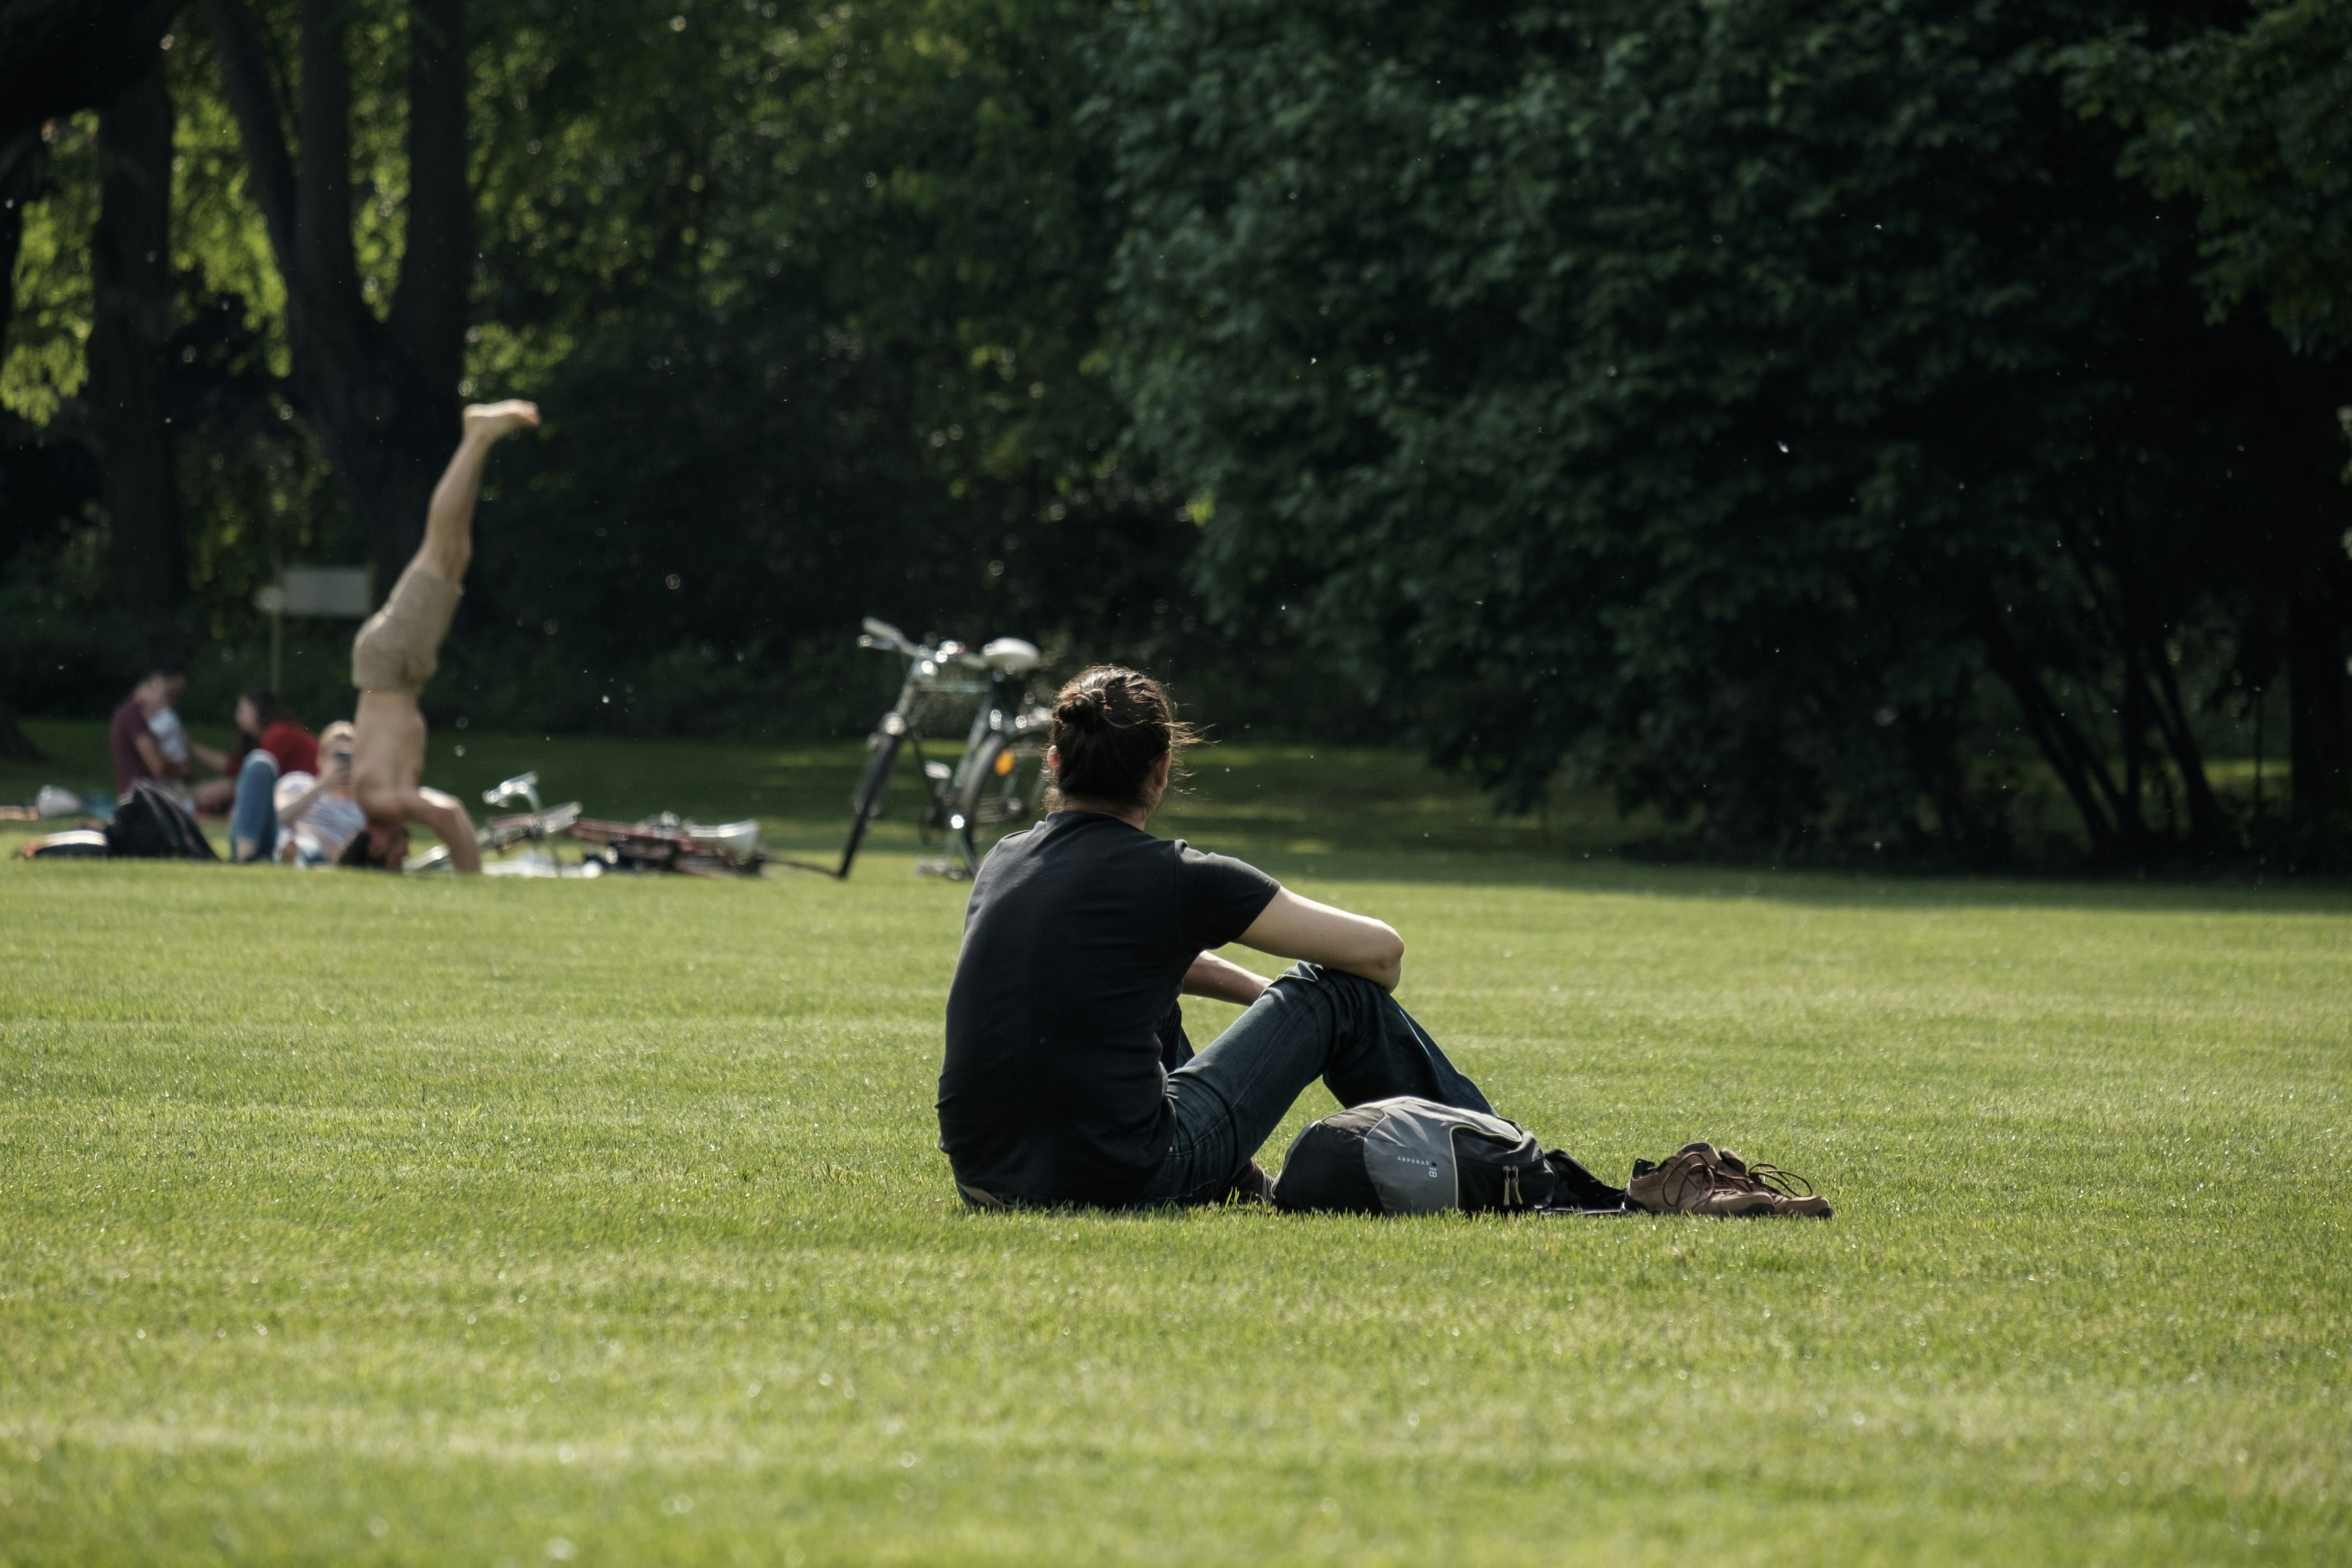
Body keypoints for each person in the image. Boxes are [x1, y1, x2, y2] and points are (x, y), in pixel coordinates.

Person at [938, 665, 1493, 1209]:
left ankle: (1240, 1184)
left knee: (1148, 997)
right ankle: (1501, 1161)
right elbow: (1382, 953)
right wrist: (1300, 1007)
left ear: (1054, 764)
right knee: (1336, 992)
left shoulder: (1004, 858)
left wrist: (1264, 999)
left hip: (983, 1177)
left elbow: (1117, 964)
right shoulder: (1177, 877)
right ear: (1161, 771)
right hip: (1116, 1179)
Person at [343, 400, 540, 871]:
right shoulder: (387, 800)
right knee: (455, 555)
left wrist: (472, 880)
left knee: (439, 552)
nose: (406, 852)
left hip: (391, 662)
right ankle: (478, 441)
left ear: (375, 847)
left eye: (396, 858)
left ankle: (478, 435)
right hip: (400, 667)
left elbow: (448, 814)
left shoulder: (380, 805)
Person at [204, 691, 321, 824]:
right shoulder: (274, 733)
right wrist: (193, 748)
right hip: (299, 793)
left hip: (306, 795)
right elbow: (234, 767)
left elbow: (253, 781)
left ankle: (188, 803)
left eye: (242, 711)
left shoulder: (278, 734)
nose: (238, 717)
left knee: (230, 787)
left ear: (258, 710)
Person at [273, 721, 365, 865]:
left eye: (350, 758)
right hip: (287, 838)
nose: (345, 764)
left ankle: (291, 859)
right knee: (286, 839)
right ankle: (289, 857)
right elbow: (279, 817)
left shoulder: (364, 805)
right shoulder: (297, 783)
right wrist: (323, 786)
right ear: (321, 759)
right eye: (339, 756)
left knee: (309, 847)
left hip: (319, 849)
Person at [109, 663, 188, 799]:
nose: (172, 703)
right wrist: (183, 770)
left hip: (143, 795)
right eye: (172, 694)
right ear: (157, 682)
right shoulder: (134, 716)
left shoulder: (132, 715)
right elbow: (159, 767)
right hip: (143, 799)